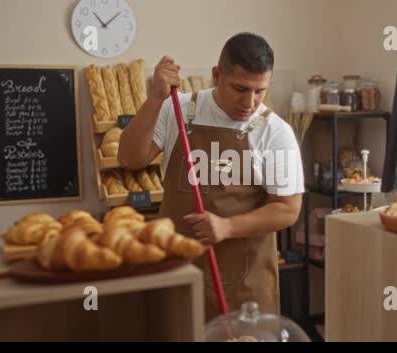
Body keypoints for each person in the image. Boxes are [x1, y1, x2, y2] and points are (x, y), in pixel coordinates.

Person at [119, 32, 304, 320]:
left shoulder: (275, 132)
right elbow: (130, 158)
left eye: (260, 91)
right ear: (217, 74)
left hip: (244, 288)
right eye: (240, 88)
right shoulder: (177, 108)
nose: (250, 102)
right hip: (178, 273)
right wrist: (155, 99)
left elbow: (288, 209)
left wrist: (227, 227)